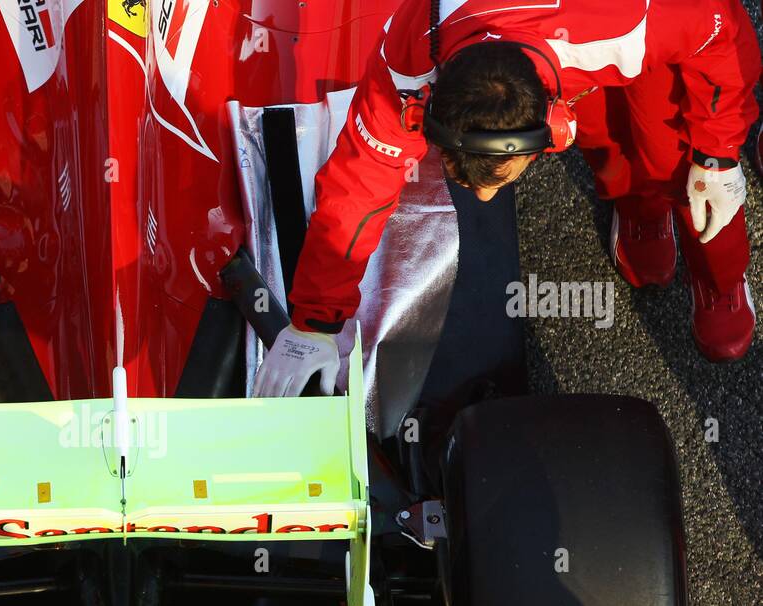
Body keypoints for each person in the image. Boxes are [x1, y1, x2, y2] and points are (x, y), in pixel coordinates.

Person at [255, 0, 762, 398]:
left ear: (549, 122)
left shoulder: (642, 15)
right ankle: (637, 207)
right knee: (606, 140)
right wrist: (315, 322)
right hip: (575, 42)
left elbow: (722, 30)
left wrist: (718, 152)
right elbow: (358, 185)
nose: (482, 193)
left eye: (497, 179)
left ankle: (720, 277)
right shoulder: (408, 58)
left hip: (632, 28)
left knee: (675, 160)